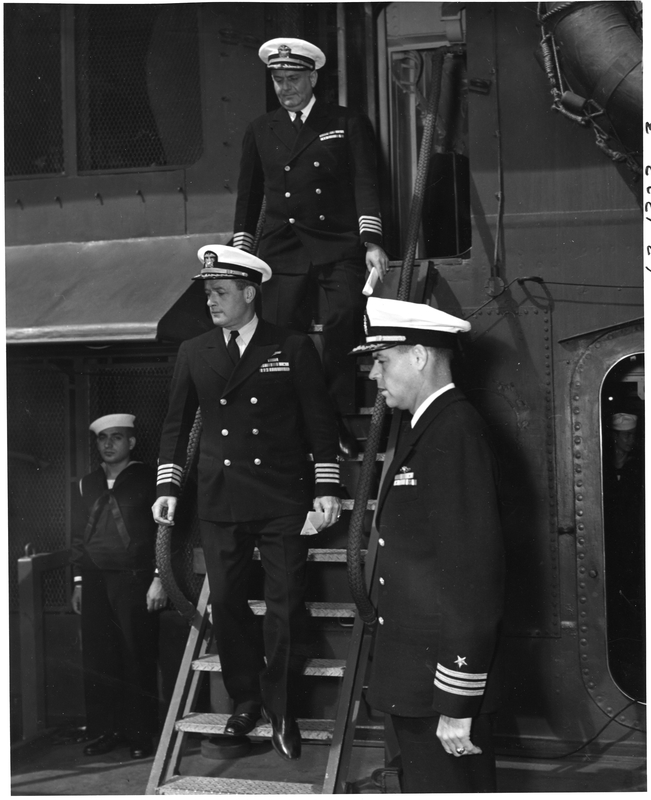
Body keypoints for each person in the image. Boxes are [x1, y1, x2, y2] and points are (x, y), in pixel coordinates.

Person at [152, 244, 342, 761]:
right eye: (207, 293)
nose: (210, 301)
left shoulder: (294, 347)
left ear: (250, 293)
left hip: (282, 496)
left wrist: (326, 486)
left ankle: (282, 709)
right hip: (221, 498)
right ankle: (245, 700)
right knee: (231, 603)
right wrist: (168, 487)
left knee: (283, 606)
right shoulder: (195, 351)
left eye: (219, 292)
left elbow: (320, 423)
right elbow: (174, 427)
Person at [351, 298, 505, 792]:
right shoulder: (428, 427)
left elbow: (472, 572)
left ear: (418, 356)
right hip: (416, 680)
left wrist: (457, 704)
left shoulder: (454, 430)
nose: (375, 376)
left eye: (382, 360)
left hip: (440, 687)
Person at [232, 36, 390, 454]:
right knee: (284, 337)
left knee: (344, 319)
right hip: (282, 247)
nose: (286, 88)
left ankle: (333, 419)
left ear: (313, 77)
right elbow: (248, 198)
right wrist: (245, 251)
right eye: (279, 80)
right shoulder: (260, 130)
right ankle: (295, 420)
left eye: (293, 79)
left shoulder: (346, 121)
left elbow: (365, 183)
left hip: (337, 242)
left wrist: (371, 240)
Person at [71, 414, 166, 759]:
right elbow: (79, 537)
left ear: (132, 442)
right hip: (95, 580)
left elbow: (165, 533)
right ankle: (108, 730)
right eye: (102, 438)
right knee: (99, 656)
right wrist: (79, 581)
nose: (108, 444)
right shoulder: (86, 483)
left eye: (116, 437)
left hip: (135, 578)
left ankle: (140, 734)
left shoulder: (151, 478)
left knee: (136, 654)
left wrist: (160, 578)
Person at [603, 411, 645, 697]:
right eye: (626, 435)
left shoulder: (639, 467)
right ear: (615, 437)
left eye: (633, 434)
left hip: (632, 551)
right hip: (609, 550)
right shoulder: (603, 466)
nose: (631, 440)